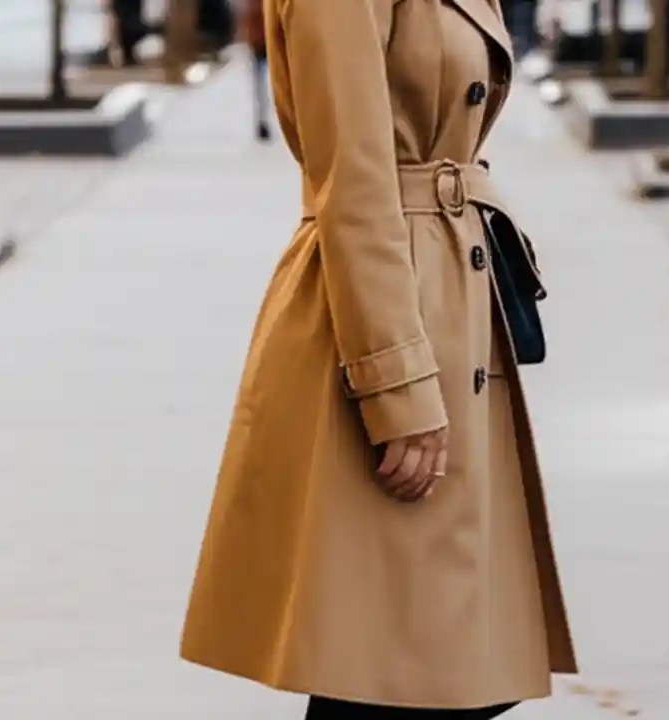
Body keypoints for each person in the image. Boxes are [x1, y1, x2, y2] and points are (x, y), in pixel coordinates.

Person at [179, 0, 577, 716]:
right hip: (387, 314)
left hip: (446, 300)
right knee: (399, 676)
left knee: (437, 675)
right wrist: (395, 381)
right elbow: (354, 184)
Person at [241, 0, 271, 141]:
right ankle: (263, 121)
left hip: (264, 46)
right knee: (262, 88)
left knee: (262, 88)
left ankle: (263, 121)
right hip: (262, 46)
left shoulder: (253, 5)